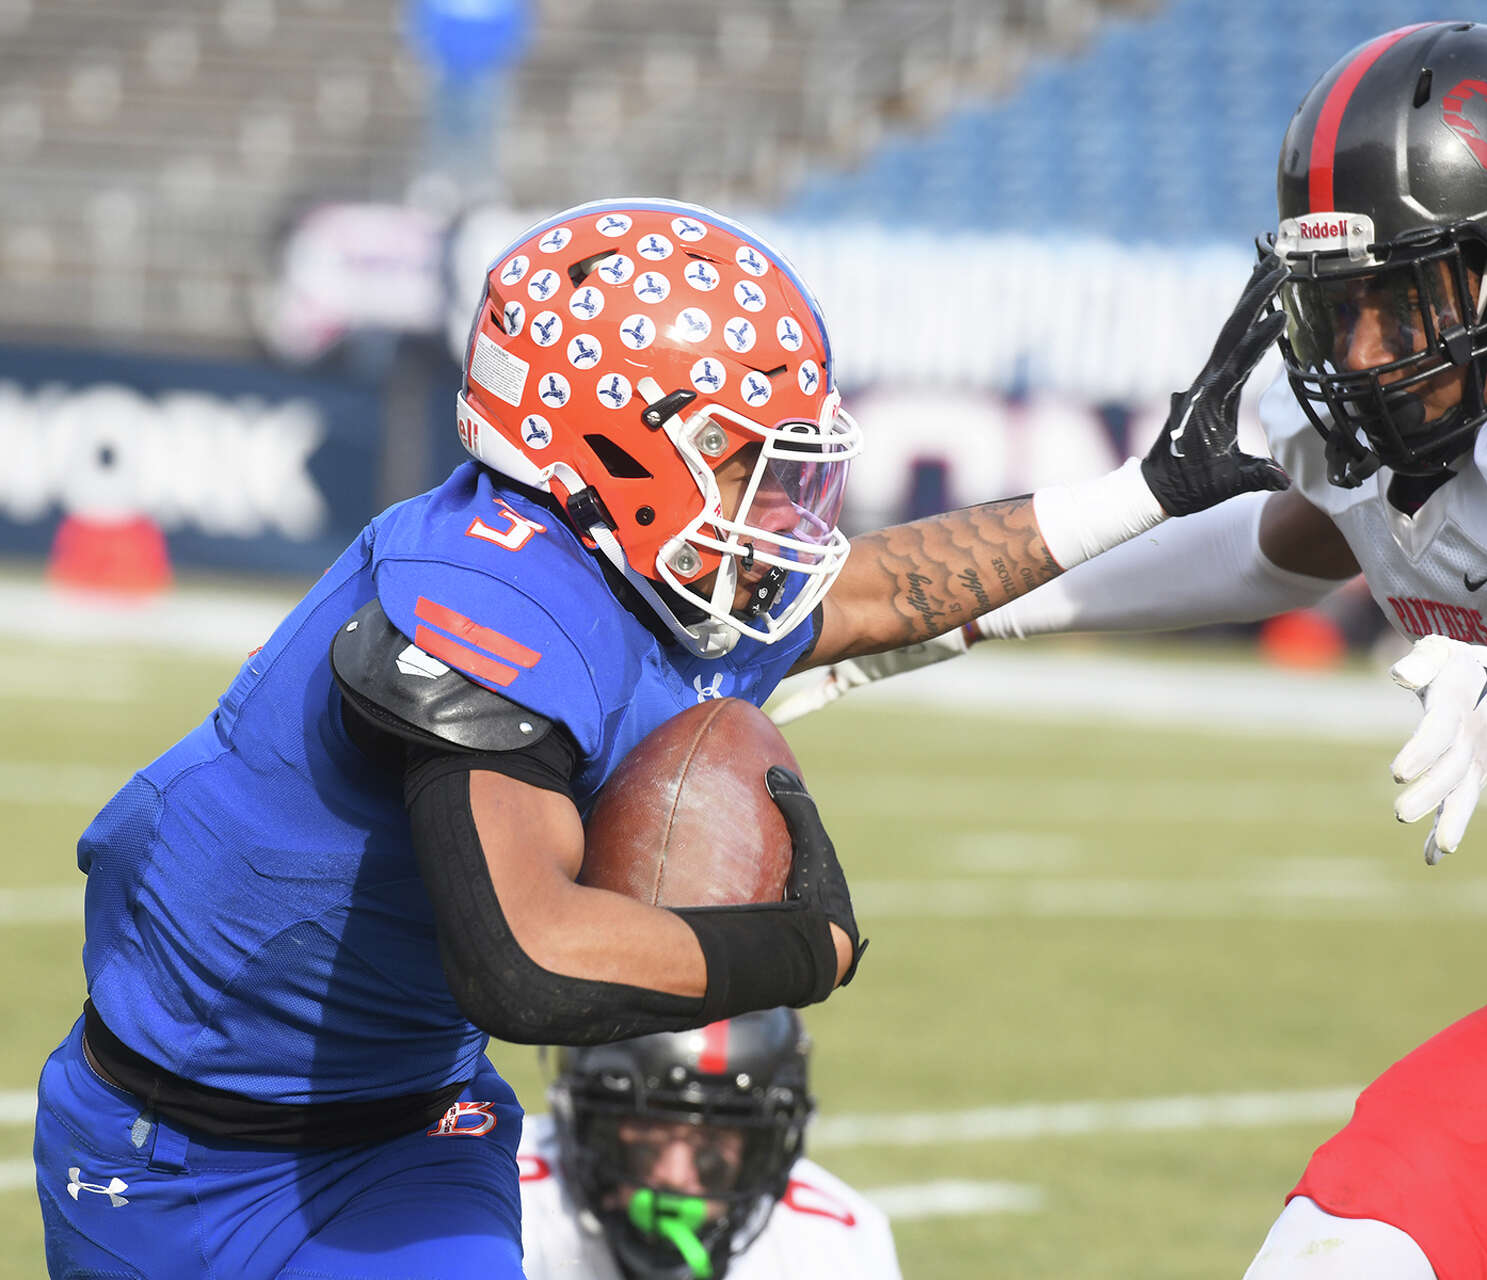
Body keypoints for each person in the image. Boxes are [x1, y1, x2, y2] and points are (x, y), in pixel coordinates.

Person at [772, 25, 1487, 1280]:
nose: (1362, 347)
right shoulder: (1376, 435)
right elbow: (1272, 548)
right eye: (1340, 299)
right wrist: (972, 618)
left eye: (1405, 292)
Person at [33, 197, 1285, 1277]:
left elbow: (882, 587)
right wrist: (804, 949)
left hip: (410, 1136)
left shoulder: (648, 567)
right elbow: (527, 958)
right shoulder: (487, 592)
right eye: (743, 461)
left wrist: (1155, 484)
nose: (777, 503)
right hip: (158, 1143)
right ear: (612, 445)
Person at [519, 1008, 899, 1280]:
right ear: (588, 1123)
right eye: (647, 1134)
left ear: (760, 1151)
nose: (673, 1175)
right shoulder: (505, 1207)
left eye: (712, 1145)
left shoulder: (833, 1244)